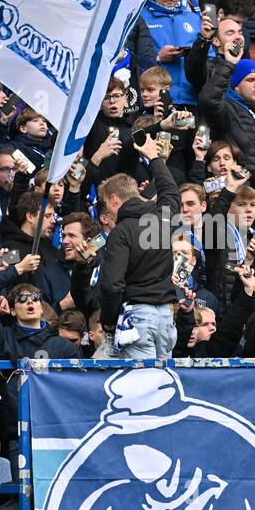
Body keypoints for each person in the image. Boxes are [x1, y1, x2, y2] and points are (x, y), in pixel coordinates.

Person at [97, 133, 181, 358]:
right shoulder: (162, 217)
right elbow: (171, 191)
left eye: (106, 204)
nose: (106, 211)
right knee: (163, 388)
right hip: (166, 318)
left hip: (138, 319)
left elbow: (112, 285)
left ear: (114, 199)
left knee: (142, 389)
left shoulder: (121, 231)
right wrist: (154, 157)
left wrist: (108, 322)